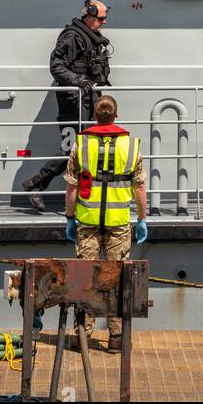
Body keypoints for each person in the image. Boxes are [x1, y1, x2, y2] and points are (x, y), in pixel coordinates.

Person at [64, 94, 148, 352]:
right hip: (118, 224)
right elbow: (140, 188)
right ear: (116, 115)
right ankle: (116, 339)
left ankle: (83, 336)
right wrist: (143, 219)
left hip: (87, 223)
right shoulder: (132, 147)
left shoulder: (80, 146)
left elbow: (71, 188)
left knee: (86, 278)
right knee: (116, 278)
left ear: (94, 117)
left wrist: (69, 218)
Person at [21, 0, 112, 210]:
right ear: (89, 17)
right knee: (72, 147)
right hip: (74, 101)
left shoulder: (92, 38)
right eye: (101, 18)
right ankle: (36, 184)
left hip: (89, 99)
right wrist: (78, 81)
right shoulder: (73, 37)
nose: (104, 22)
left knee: (89, 147)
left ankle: (85, 194)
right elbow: (57, 66)